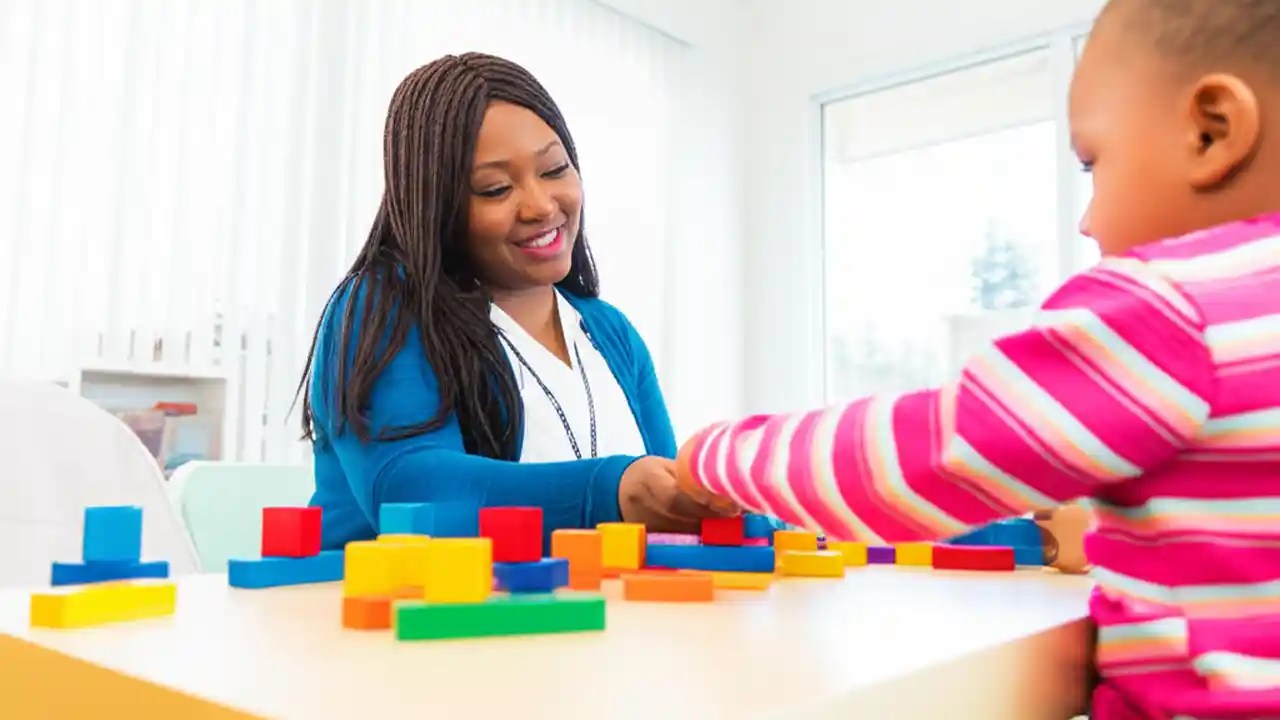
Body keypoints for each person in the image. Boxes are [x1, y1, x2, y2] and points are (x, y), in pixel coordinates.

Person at [676, 1, 1280, 717]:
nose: (1087, 218)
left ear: (1211, 131)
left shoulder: (1172, 306)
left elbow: (934, 456)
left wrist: (720, 454)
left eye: (1093, 162)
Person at [300, 53, 735, 551]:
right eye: (496, 188)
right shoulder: (383, 307)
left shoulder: (611, 334)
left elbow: (666, 501)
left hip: (590, 622)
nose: (541, 206)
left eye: (554, 169)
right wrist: (614, 492)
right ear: (436, 202)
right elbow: (411, 493)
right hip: (394, 622)